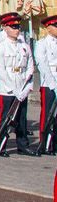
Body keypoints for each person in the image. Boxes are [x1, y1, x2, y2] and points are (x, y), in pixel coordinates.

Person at [0, 12, 36, 156]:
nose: (17, 29)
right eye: (13, 27)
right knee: (5, 118)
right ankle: (0, 145)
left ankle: (22, 145)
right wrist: (12, 88)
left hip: (21, 87)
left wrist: (26, 86)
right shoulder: (1, 47)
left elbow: (30, 65)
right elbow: (0, 71)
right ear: (6, 28)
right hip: (7, 90)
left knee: (21, 118)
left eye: (18, 27)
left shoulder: (24, 46)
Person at [37, 16, 57, 154]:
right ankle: (45, 143)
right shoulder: (42, 44)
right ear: (48, 28)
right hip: (49, 84)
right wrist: (52, 84)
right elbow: (42, 65)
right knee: (48, 114)